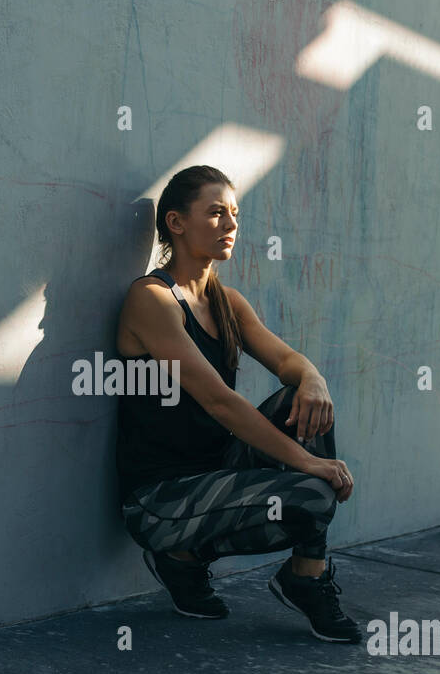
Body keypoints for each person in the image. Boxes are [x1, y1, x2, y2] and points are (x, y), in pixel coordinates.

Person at [114, 165, 361, 642]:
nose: (231, 225)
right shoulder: (153, 299)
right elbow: (220, 402)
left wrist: (313, 378)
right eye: (215, 213)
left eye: (234, 214)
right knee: (312, 495)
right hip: (160, 497)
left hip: (217, 475)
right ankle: (179, 555)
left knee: (303, 401)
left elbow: (287, 360)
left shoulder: (226, 302)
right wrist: (310, 464)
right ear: (176, 223)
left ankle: (303, 577)